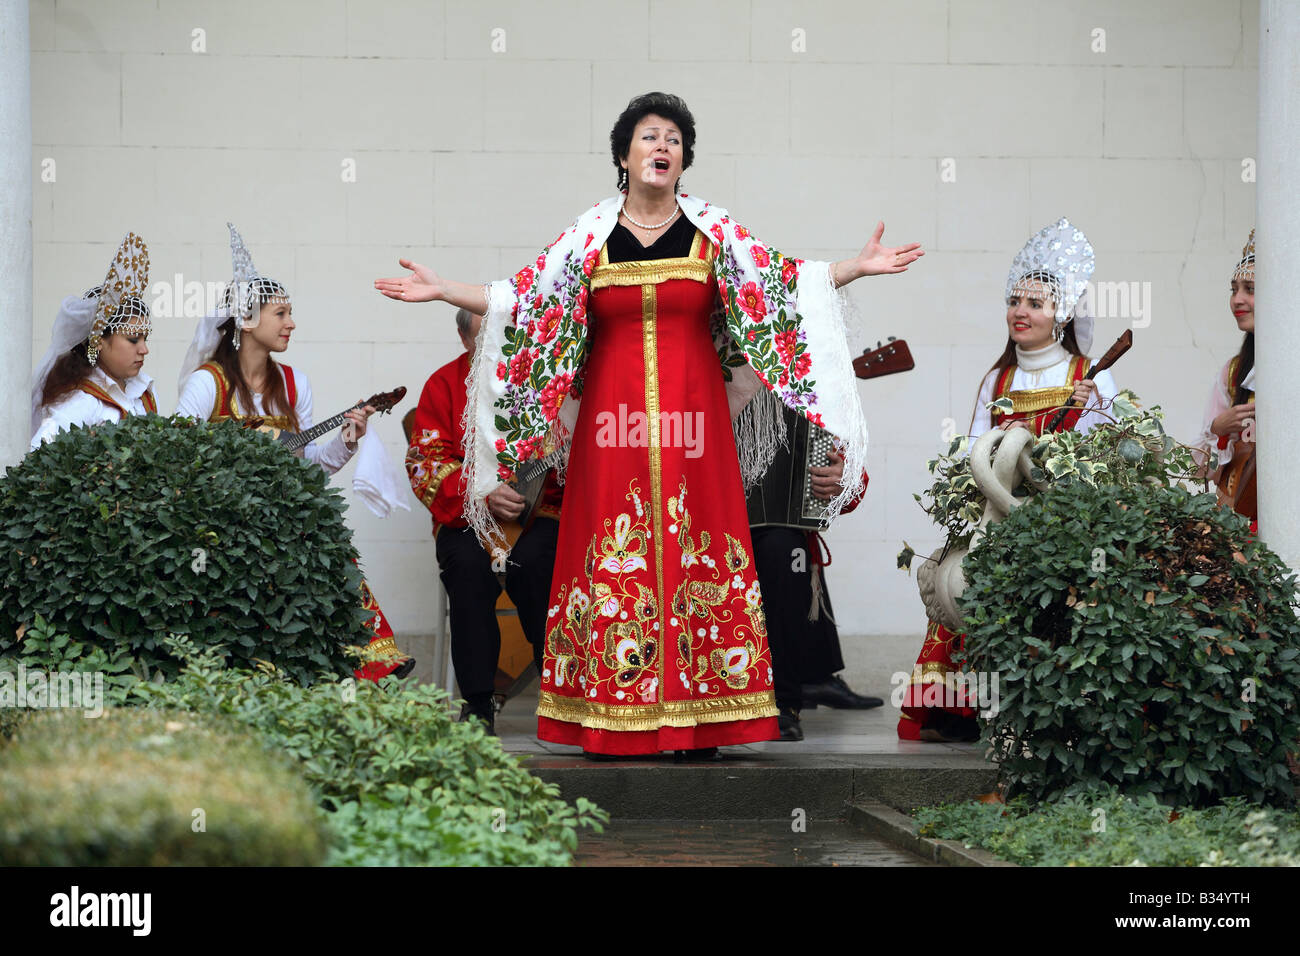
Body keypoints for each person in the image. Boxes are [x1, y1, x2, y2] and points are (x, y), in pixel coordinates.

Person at [377, 92, 922, 756]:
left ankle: (701, 722)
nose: (662, 147)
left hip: (698, 435)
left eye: (673, 139)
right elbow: (519, 299)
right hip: (614, 435)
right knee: (619, 557)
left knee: (697, 557)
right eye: (649, 137)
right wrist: (445, 290)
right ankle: (614, 717)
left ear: (683, 158)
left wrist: (852, 269)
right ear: (623, 155)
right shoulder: (588, 237)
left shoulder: (713, 232)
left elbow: (780, 285)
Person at [899, 218, 1117, 742]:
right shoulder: (998, 379)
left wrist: (1095, 410)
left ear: (1060, 316)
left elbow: (1109, 455)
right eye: (1016, 301)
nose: (1022, 312)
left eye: (1036, 303)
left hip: (1059, 518)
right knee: (955, 579)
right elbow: (970, 447)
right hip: (995, 510)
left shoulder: (1090, 376)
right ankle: (953, 710)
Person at [176, 223, 413, 683]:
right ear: (247, 321)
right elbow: (180, 456)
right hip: (221, 525)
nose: (291, 323)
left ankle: (372, 664)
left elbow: (310, 474)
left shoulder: (294, 384)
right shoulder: (208, 382)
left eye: (290, 313)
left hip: (282, 519)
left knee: (329, 544)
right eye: (281, 313)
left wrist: (348, 440)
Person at [406, 307, 563, 735]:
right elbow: (425, 464)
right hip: (467, 518)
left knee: (536, 566)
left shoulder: (544, 383)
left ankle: (560, 694)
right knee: (469, 570)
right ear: (465, 341)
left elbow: (574, 457)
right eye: (486, 337)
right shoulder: (442, 384)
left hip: (539, 517)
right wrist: (480, 495)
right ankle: (477, 703)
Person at [746, 403, 883, 742]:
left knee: (786, 551)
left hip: (780, 534)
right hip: (707, 518)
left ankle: (785, 703)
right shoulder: (710, 374)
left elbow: (850, 479)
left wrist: (844, 479)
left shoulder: (810, 390)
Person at [30, 232, 157, 449]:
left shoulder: (143, 391)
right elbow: (39, 456)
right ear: (98, 341)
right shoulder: (80, 401)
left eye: (145, 338)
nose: (144, 349)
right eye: (133, 339)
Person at [1196, 229, 1256, 526]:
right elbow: (1199, 465)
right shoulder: (1233, 372)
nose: (1237, 300)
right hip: (1243, 513)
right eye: (1234, 289)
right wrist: (1218, 428)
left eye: (1250, 289)